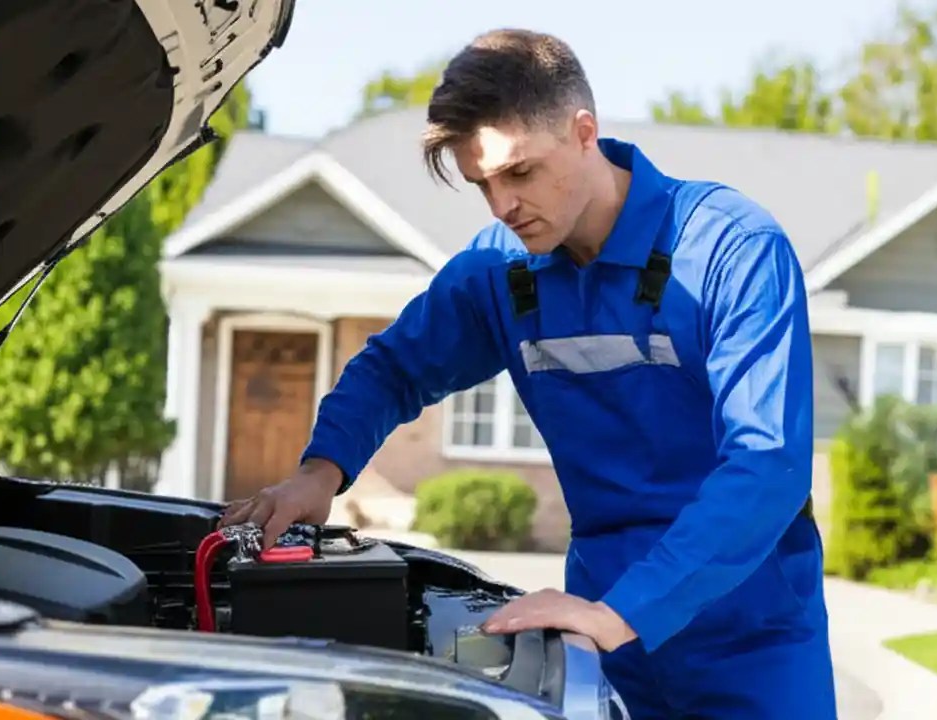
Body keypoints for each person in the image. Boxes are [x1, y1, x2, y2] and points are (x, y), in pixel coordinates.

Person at [220, 27, 837, 719]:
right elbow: (392, 367)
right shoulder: (501, 274)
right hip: (596, 642)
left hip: (749, 644)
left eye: (519, 172)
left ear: (583, 132)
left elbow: (768, 468)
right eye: (482, 182)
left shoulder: (732, 251)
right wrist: (320, 471)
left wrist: (621, 612)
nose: (502, 206)